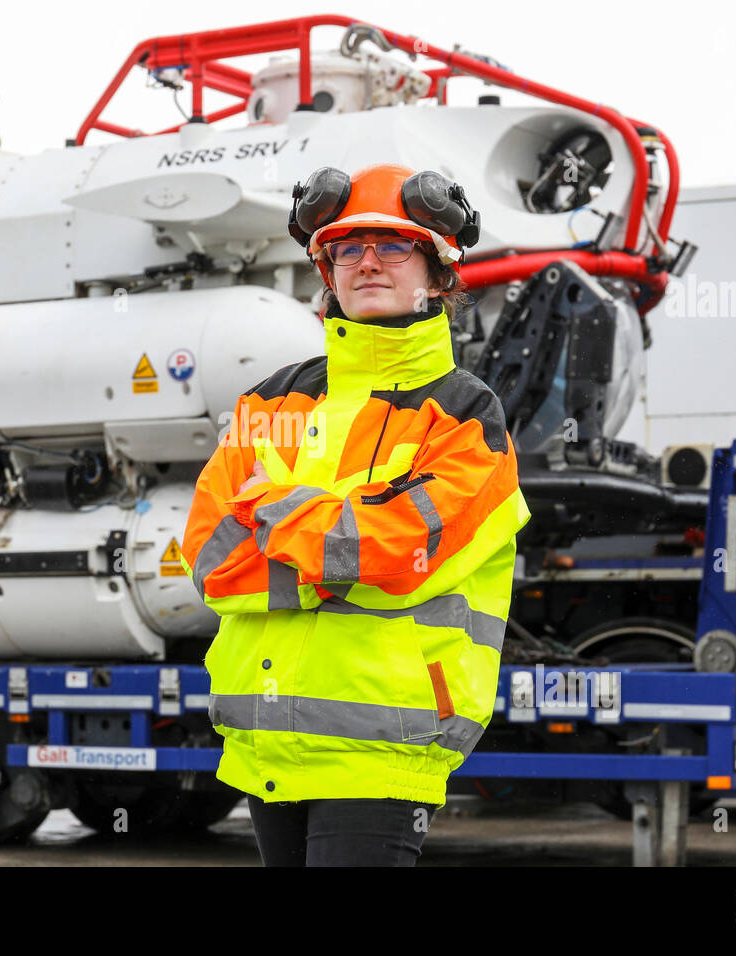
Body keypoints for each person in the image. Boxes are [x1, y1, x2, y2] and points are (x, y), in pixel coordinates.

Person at [180, 163, 530, 866]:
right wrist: (335, 529)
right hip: (265, 740)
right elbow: (210, 560)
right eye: (347, 247)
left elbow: (399, 555)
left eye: (394, 246)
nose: (367, 262)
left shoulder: (466, 415)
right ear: (326, 268)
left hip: (383, 746)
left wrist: (274, 513)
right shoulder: (271, 401)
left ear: (438, 275)